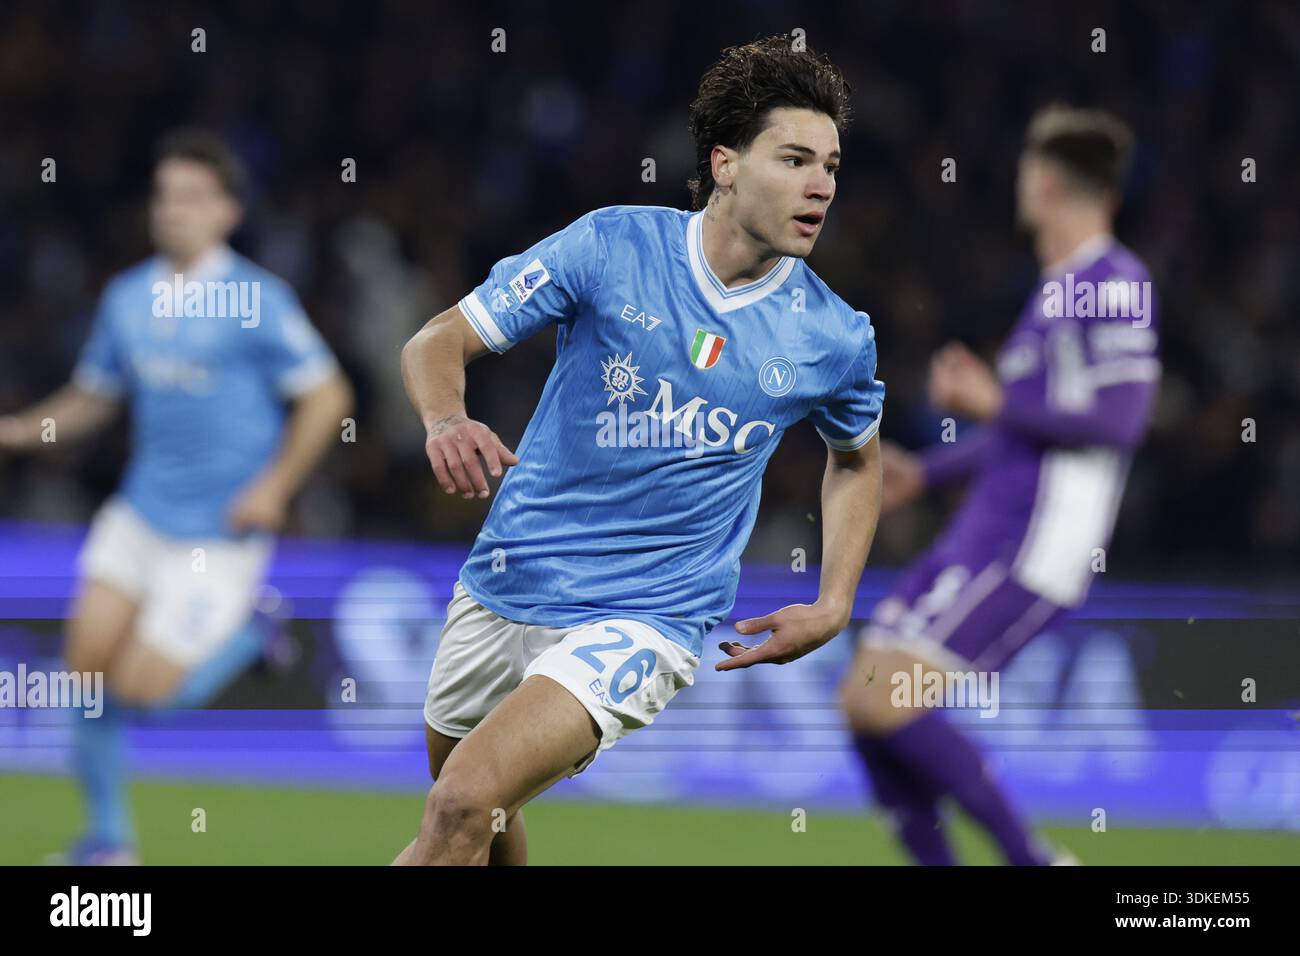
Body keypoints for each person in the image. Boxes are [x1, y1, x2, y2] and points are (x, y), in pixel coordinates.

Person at [393, 36, 886, 865]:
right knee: (483, 828)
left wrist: (835, 603)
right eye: (796, 159)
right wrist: (447, 421)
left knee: (460, 807)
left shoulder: (833, 336)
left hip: (645, 617)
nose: (821, 186)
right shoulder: (610, 247)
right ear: (724, 165)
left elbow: (857, 460)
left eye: (831, 166)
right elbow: (438, 340)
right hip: (507, 579)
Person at [0, 129, 353, 864]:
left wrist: (276, 486)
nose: (174, 212)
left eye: (193, 198)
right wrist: (18, 431)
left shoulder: (257, 298)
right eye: (165, 197)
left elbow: (327, 395)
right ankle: (108, 842)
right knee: (83, 682)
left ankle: (257, 633)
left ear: (227, 211)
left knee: (147, 697)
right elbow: (93, 399)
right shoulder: (127, 299)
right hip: (138, 515)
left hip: (216, 534)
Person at [838, 105, 1160, 865]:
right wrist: (928, 470)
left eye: (1026, 168)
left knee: (887, 701)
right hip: (988, 526)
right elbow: (1025, 429)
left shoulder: (1112, 281)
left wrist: (990, 400)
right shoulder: (1056, 293)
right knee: (861, 702)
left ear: (1045, 181)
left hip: (1032, 540)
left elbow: (1122, 422)